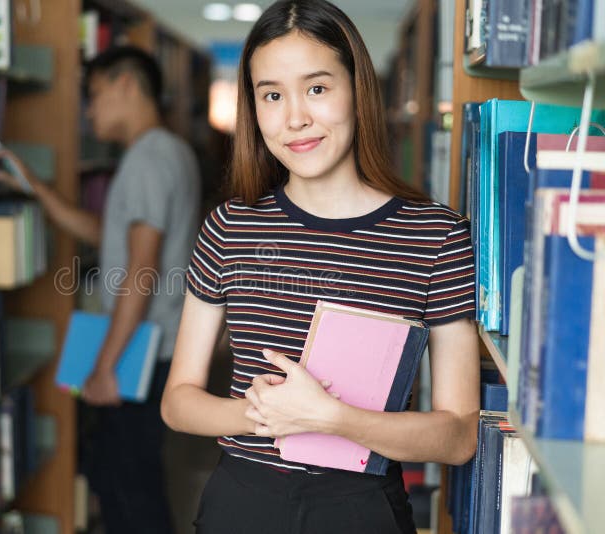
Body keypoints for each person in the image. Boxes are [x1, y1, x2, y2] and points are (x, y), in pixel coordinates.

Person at [160, 1, 479, 533]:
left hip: (361, 508)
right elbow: (178, 402)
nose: (295, 119)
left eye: (317, 88)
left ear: (357, 88)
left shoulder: (434, 235)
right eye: (272, 95)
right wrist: (266, 415)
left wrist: (332, 419)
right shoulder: (230, 227)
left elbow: (460, 435)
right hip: (241, 502)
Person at [0, 46, 200, 534]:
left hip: (141, 354)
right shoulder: (171, 153)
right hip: (159, 346)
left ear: (127, 84)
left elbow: (140, 268)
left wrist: (105, 365)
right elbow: (109, 234)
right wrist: (39, 191)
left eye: (94, 95)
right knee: (125, 479)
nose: (88, 111)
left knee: (131, 491)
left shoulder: (148, 160)